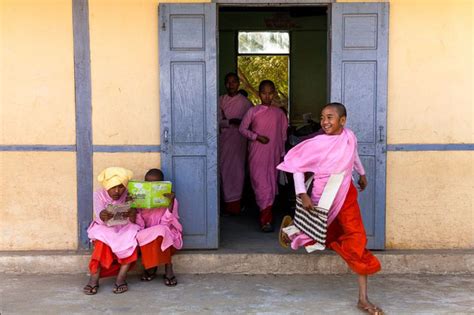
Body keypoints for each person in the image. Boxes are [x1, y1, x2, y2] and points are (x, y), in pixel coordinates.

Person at [277, 103, 383, 314]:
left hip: (346, 194)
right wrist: (302, 193)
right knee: (315, 234)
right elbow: (297, 165)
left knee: (356, 238)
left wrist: (361, 173)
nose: (325, 121)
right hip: (322, 198)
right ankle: (290, 232)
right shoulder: (316, 143)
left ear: (342, 121)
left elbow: (353, 156)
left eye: (330, 117)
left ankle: (363, 298)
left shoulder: (349, 136)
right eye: (322, 117)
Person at [239, 80, 288, 232]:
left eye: (270, 93)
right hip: (257, 154)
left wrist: (282, 154)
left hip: (273, 155)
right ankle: (265, 219)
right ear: (259, 94)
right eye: (264, 93)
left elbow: (283, 136)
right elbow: (242, 129)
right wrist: (256, 137)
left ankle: (266, 219)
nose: (267, 96)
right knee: (261, 185)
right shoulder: (253, 111)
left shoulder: (279, 113)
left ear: (274, 93)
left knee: (271, 185)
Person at [83, 167, 140, 295]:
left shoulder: (130, 194)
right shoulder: (98, 194)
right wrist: (103, 215)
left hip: (124, 227)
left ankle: (121, 278)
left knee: (131, 238)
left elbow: (136, 219)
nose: (117, 191)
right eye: (113, 187)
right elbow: (99, 215)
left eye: (121, 187)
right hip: (105, 227)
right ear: (106, 187)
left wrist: (132, 213)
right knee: (101, 243)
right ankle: (94, 278)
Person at [135, 168, 183, 286]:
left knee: (162, 230)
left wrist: (170, 204)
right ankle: (151, 267)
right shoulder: (140, 200)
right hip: (147, 236)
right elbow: (139, 225)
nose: (151, 187)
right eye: (148, 183)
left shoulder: (171, 200)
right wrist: (133, 207)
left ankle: (168, 266)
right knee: (142, 234)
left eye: (156, 184)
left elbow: (166, 224)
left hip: (167, 237)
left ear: (162, 185)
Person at [219, 73, 253, 215]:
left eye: (234, 82)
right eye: (228, 82)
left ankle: (235, 206)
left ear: (238, 83)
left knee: (237, 172)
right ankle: (223, 205)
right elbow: (213, 121)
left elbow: (252, 123)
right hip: (222, 141)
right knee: (222, 173)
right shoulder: (220, 100)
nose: (231, 85)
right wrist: (229, 121)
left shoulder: (246, 103)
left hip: (239, 142)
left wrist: (241, 123)